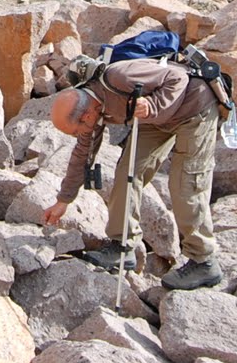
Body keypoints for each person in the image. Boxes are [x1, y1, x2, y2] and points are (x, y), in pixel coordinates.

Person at [43, 55, 223, 290]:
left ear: (86, 115)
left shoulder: (119, 77)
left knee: (184, 184)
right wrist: (64, 200)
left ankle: (204, 261)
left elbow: (178, 77)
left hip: (194, 107)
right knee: (127, 173)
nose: (79, 135)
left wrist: (152, 106)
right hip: (153, 119)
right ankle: (122, 246)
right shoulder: (92, 110)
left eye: (76, 131)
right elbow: (82, 155)